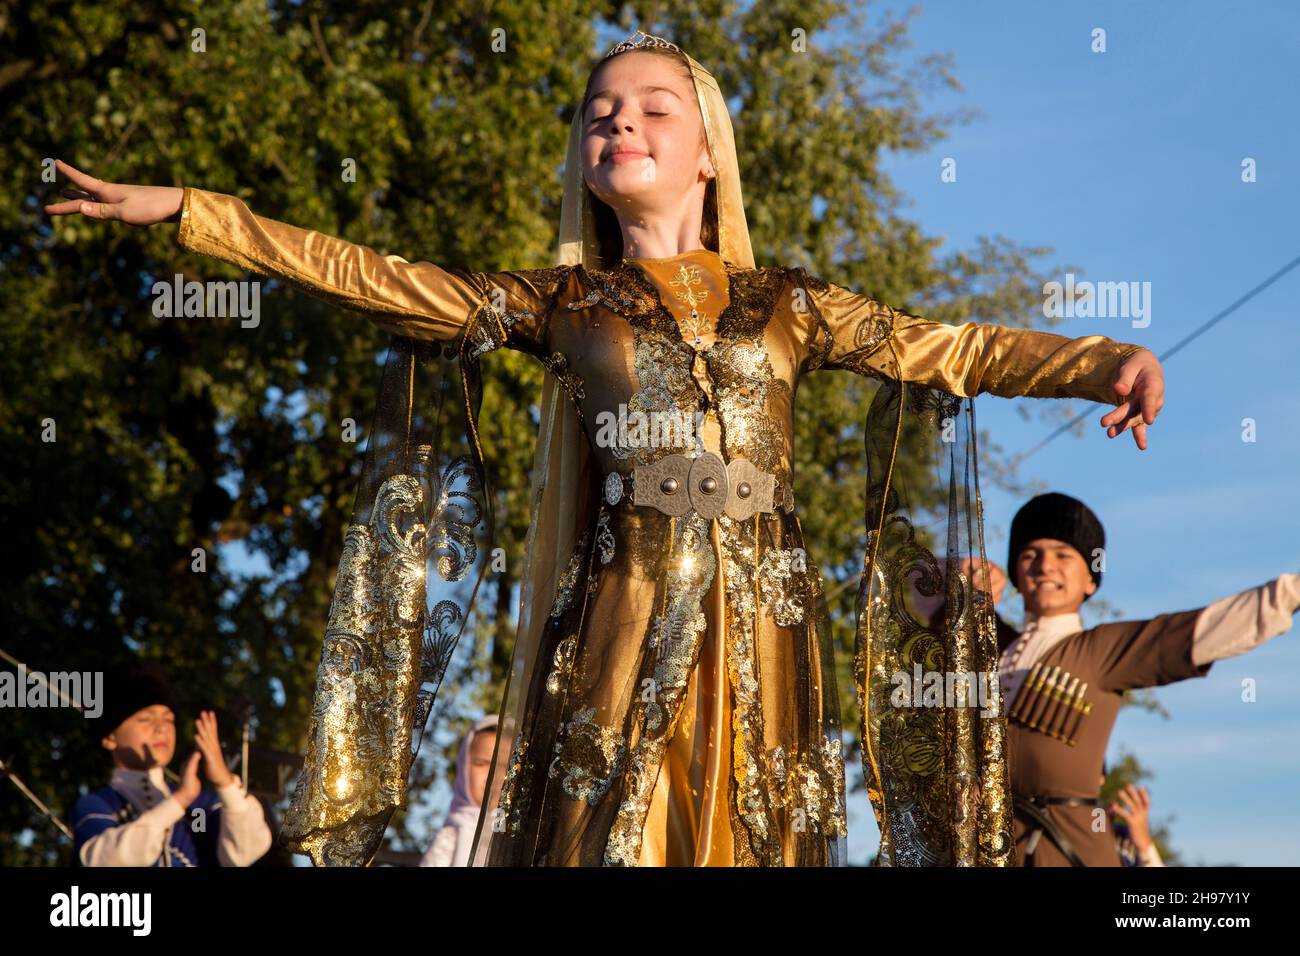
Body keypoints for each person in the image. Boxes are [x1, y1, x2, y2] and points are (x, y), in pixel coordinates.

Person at [45, 31, 1166, 867]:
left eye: (652, 108)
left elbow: (950, 347)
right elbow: (381, 277)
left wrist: (1100, 359)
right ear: (583, 161)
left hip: (765, 625)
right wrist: (198, 212)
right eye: (598, 112)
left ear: (709, 154)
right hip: (617, 619)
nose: (619, 122)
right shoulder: (564, 300)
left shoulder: (790, 303)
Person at [972, 492, 1299, 866]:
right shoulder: (992, 643)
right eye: (1030, 554)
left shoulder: (1103, 649)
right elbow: (916, 591)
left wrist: (1290, 593)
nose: (1045, 565)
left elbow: (1201, 631)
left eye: (1064, 555)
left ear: (1090, 581)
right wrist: (967, 574)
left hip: (1065, 848)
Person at [71, 663, 273, 867]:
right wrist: (178, 800)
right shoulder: (99, 804)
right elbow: (104, 860)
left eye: (168, 719)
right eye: (145, 719)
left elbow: (244, 853)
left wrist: (225, 782)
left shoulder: (198, 809)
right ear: (110, 738)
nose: (161, 728)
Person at [420, 715, 499, 867]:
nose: (492, 775)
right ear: (464, 768)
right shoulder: (451, 839)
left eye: (503, 765)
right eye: (482, 763)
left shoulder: (530, 837)